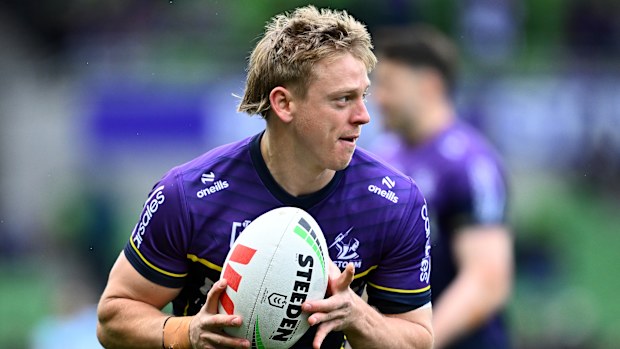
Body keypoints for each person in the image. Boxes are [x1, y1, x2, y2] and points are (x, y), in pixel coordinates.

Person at [97, 6, 433, 349]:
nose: (363, 116)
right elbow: (113, 317)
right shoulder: (187, 196)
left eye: (363, 96)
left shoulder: (395, 203)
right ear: (284, 104)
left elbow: (419, 339)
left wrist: (359, 317)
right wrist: (186, 334)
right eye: (342, 99)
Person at [371, 25, 513, 349]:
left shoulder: (470, 163)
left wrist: (416, 342)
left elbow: (487, 281)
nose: (378, 98)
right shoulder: (381, 157)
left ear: (430, 86)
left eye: (389, 85)